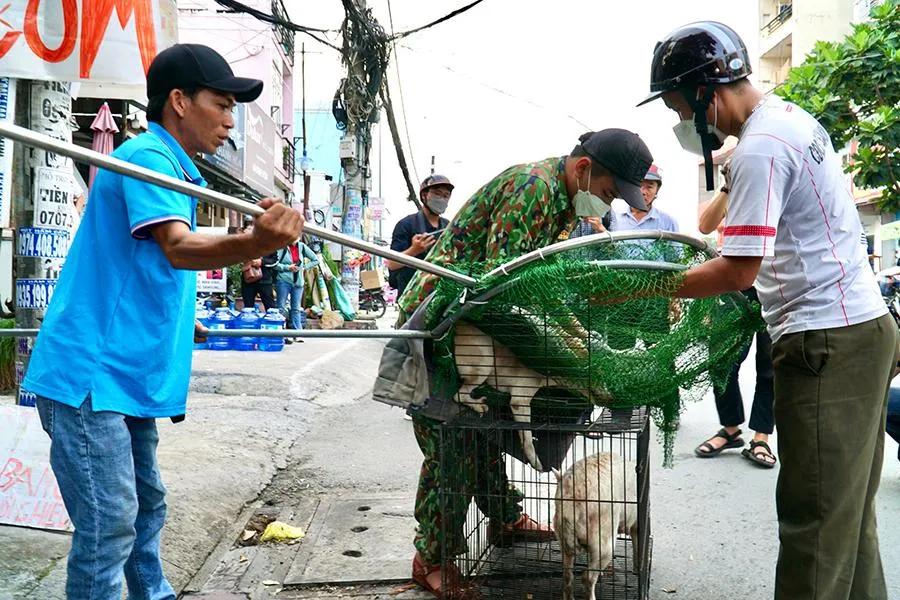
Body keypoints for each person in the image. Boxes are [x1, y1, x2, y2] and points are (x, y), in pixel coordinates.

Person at [23, 43, 304, 600]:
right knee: (110, 523)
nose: (230, 121)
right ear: (179, 101)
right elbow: (177, 247)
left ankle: (154, 594)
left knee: (145, 506)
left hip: (124, 380)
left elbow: (143, 264)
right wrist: (256, 242)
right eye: (221, 104)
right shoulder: (148, 157)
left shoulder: (174, 167)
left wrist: (182, 320)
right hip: (91, 377)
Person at [639, 22, 896, 600]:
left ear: (705, 90)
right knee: (847, 521)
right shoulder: (789, 120)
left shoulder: (761, 146)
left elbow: (736, 270)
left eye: (678, 106)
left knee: (815, 526)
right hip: (858, 330)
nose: (680, 119)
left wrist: (646, 289)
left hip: (828, 340)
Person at [397, 129, 653, 595]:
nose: (607, 203)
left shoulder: (563, 202)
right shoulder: (533, 188)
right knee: (451, 446)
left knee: (486, 432)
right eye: (608, 192)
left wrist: (577, 338)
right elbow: (503, 287)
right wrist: (557, 352)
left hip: (480, 329)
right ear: (584, 169)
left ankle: (505, 518)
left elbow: (540, 285)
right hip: (444, 327)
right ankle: (430, 558)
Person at [693, 162, 776, 468]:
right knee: (721, 361)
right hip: (732, 288)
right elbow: (705, 225)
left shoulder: (774, 187)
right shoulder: (734, 192)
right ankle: (730, 429)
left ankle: (761, 437)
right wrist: (728, 185)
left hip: (771, 285)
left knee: (769, 367)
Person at [386, 174, 452, 299]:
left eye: (446, 195)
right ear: (424, 196)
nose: (442, 199)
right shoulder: (406, 224)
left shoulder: (448, 226)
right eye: (437, 194)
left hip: (439, 297)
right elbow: (391, 263)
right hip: (411, 298)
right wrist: (414, 250)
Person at [274, 238, 319, 344]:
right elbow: (275, 264)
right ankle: (281, 332)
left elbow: (315, 259)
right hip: (284, 280)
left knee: (296, 308)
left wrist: (304, 267)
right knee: (281, 307)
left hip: (298, 282)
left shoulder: (302, 247)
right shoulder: (282, 246)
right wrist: (288, 267)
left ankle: (298, 333)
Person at [239, 220, 277, 312]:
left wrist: (262, 262)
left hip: (265, 280)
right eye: (248, 228)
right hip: (248, 279)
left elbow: (275, 260)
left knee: (270, 307)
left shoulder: (269, 243)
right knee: (248, 308)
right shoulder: (242, 242)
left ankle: (271, 321)